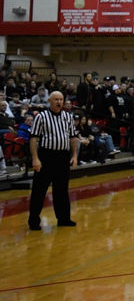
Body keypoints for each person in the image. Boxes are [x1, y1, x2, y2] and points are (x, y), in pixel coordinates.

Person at [27, 91, 79, 230]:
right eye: (56, 99)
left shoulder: (68, 117)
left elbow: (73, 138)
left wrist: (74, 156)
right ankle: (33, 221)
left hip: (63, 157)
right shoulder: (41, 117)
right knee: (39, 190)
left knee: (61, 190)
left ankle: (63, 218)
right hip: (46, 156)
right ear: (49, 100)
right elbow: (33, 138)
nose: (59, 102)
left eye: (61, 99)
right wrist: (35, 158)